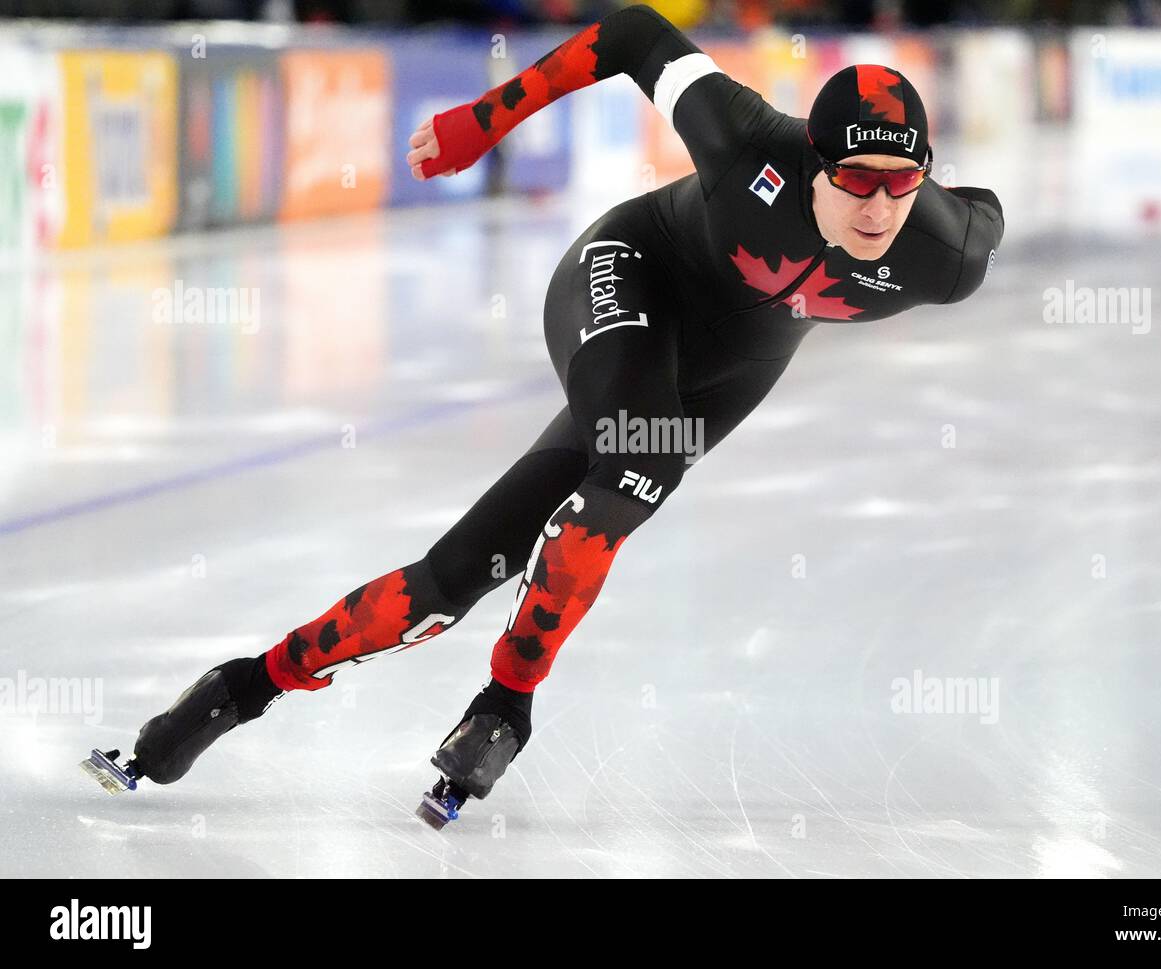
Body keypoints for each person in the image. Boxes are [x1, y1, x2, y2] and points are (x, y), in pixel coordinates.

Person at [87, 4, 1003, 825]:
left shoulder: (944, 254)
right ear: (812, 160)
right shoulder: (746, 139)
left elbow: (981, 216)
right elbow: (635, 34)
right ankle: (507, 706)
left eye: (900, 183)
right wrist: (482, 123)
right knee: (636, 465)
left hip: (737, 362)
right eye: (856, 179)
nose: (879, 206)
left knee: (453, 582)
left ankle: (237, 690)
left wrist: (964, 209)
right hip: (631, 272)